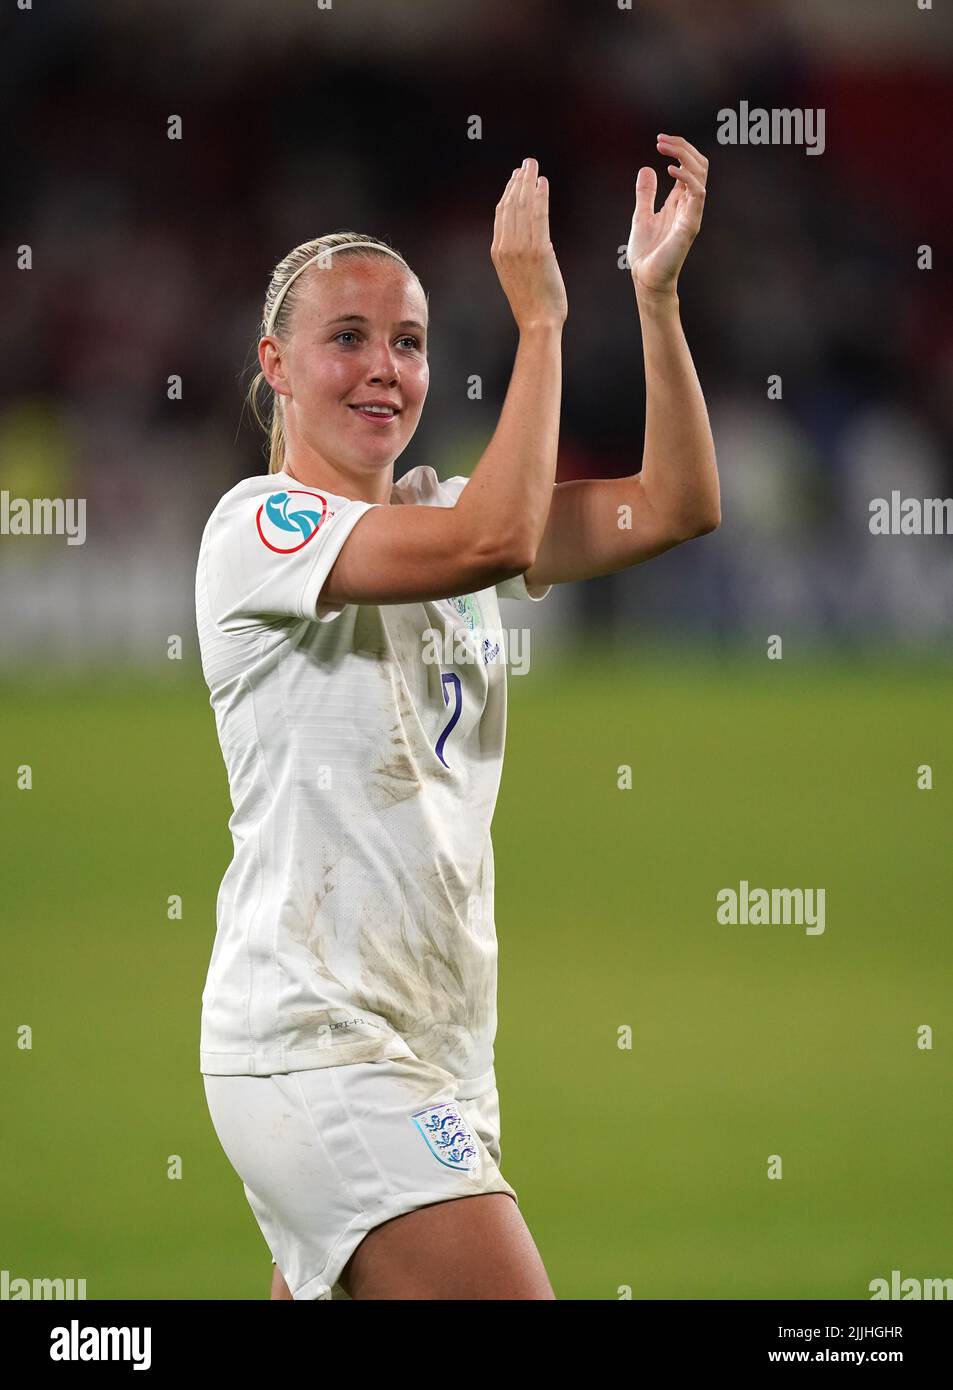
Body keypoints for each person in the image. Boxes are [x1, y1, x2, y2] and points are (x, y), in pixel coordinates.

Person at [196, 139, 718, 1300]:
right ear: (274, 366)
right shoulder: (255, 531)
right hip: (316, 1043)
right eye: (348, 339)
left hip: (433, 1054)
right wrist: (538, 324)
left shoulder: (452, 520)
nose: (384, 367)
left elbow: (674, 503)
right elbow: (490, 536)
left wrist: (653, 298)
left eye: (411, 342)